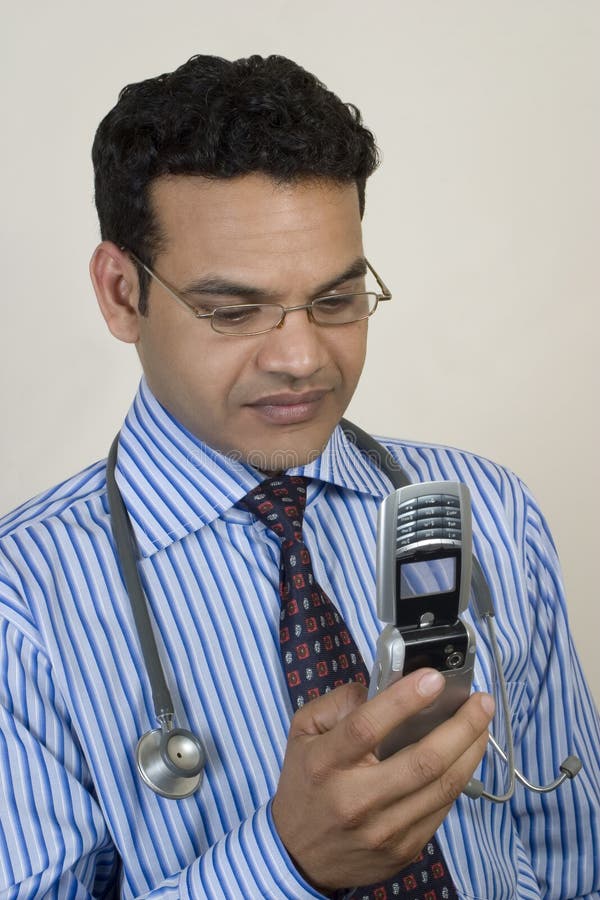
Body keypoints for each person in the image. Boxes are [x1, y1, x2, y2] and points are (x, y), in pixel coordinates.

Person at [0, 53, 598, 900]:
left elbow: (574, 852)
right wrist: (288, 864)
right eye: (234, 310)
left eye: (336, 299)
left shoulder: (491, 512)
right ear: (121, 292)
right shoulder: (18, 606)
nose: (300, 357)